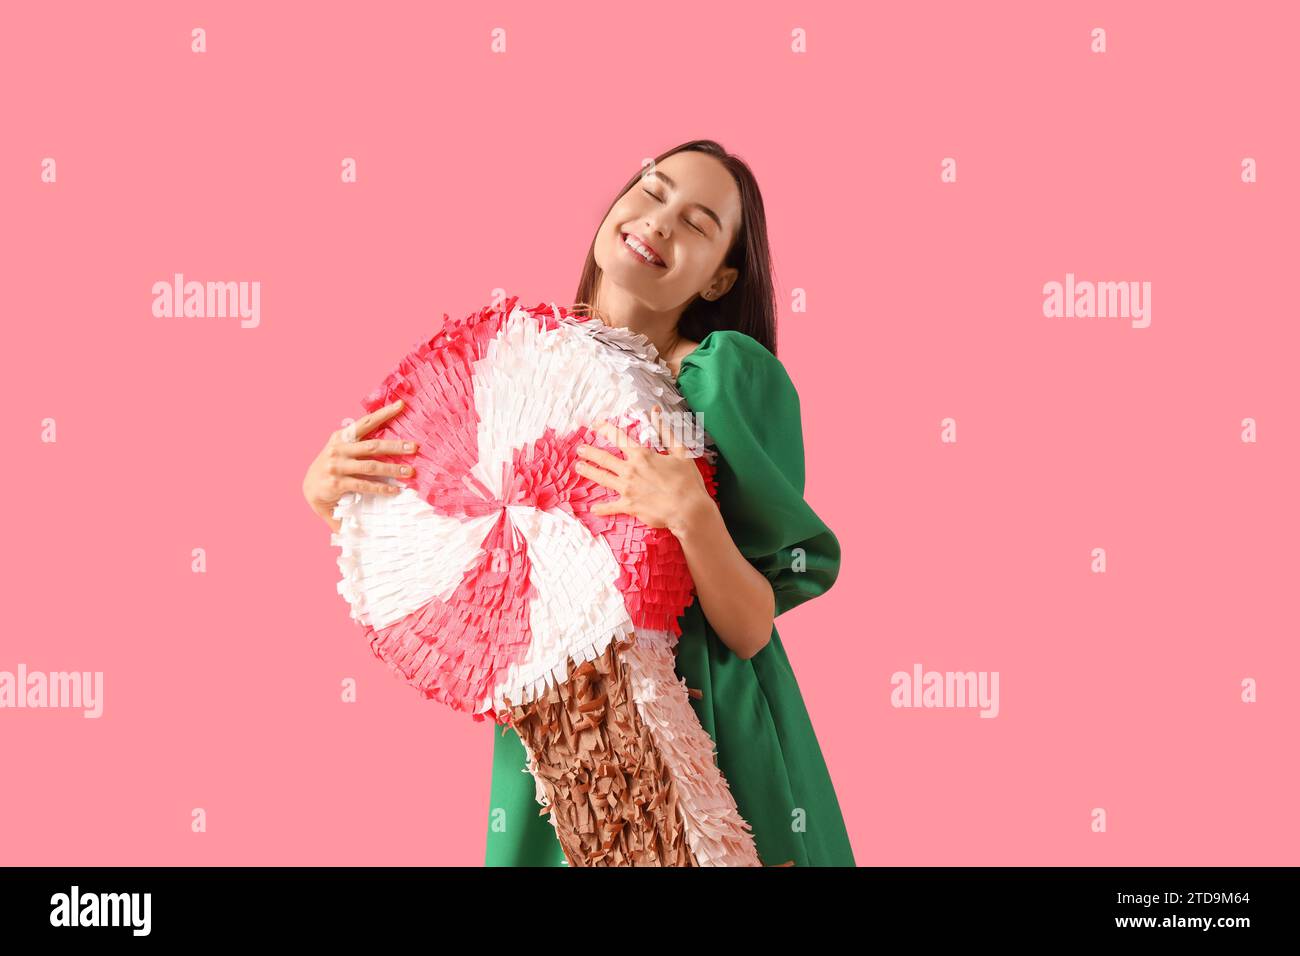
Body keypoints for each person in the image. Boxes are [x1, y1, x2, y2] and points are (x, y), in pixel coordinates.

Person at [303, 139, 855, 867]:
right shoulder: (518, 370)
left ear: (721, 279)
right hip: (565, 731)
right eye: (653, 192)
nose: (659, 222)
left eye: (697, 222)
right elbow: (441, 543)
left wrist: (691, 513)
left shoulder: (723, 380)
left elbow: (751, 626)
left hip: (702, 722)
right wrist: (330, 494)